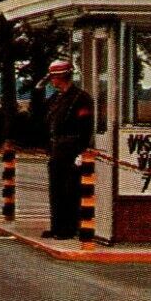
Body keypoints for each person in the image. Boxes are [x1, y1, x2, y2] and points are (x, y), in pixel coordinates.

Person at [42, 59, 94, 239]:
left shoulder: (80, 98)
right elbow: (42, 119)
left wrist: (82, 151)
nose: (52, 81)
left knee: (70, 190)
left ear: (63, 76)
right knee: (56, 190)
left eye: (54, 77)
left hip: (72, 149)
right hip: (57, 149)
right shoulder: (56, 99)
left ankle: (69, 228)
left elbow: (85, 126)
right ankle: (56, 226)